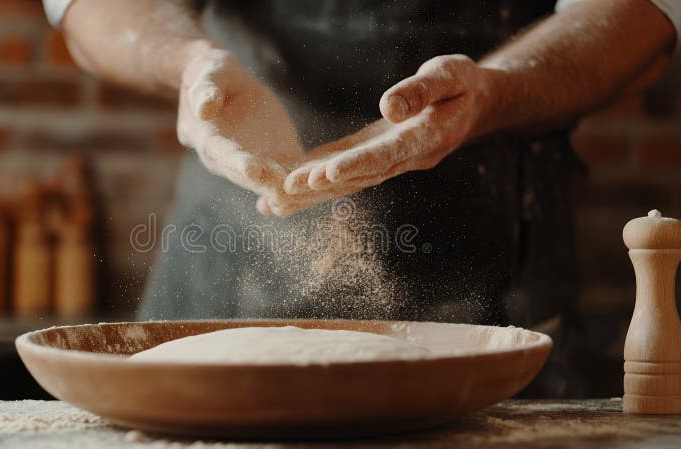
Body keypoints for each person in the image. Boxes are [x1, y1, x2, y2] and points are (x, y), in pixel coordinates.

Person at [42, 0, 679, 396]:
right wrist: (187, 63)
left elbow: (644, 17)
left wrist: (494, 91)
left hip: (498, 250)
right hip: (235, 217)